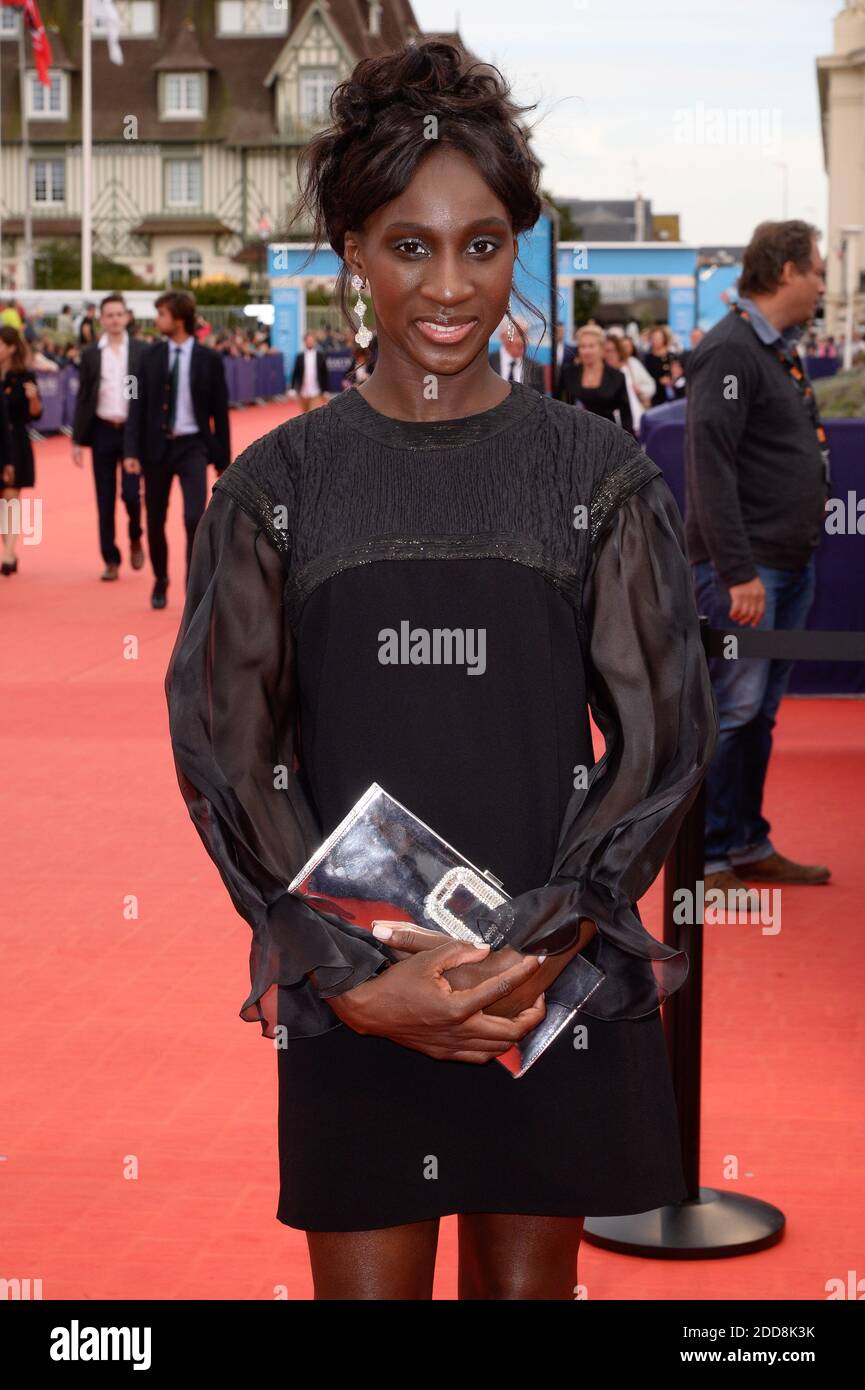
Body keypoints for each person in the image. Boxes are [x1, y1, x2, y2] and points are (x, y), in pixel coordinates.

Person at [164, 40, 717, 1301]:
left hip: (547, 991)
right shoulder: (275, 491)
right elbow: (226, 754)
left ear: (515, 243)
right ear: (352, 251)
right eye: (410, 244)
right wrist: (362, 984)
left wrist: (542, 942)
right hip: (358, 992)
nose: (450, 284)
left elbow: (658, 741)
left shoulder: (595, 477)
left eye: (481, 243)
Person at [685, 219, 831, 892]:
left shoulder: (771, 349)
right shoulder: (730, 350)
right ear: (784, 273)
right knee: (735, 712)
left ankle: (745, 842)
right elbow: (708, 469)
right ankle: (709, 858)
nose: (823, 284)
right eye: (818, 271)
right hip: (748, 572)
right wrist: (738, 571)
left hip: (782, 565)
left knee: (761, 712)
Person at [124, 290, 230, 610]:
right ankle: (160, 578)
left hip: (193, 446)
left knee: (194, 518)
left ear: (179, 319)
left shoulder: (209, 360)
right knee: (155, 520)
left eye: (162, 314)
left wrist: (224, 459)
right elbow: (136, 407)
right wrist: (131, 451)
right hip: (156, 448)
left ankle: (191, 586)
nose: (157, 320)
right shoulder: (149, 357)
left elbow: (219, 411)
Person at [72, 292, 149, 581]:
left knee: (131, 494)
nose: (115, 320)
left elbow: (147, 394)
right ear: (101, 320)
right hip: (102, 429)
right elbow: (83, 396)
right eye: (109, 315)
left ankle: (135, 534)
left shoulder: (141, 350)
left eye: (119, 314)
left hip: (132, 433)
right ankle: (110, 558)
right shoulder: (92, 354)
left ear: (127, 317)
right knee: (103, 498)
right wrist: (77, 439)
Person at [0, 326, 42, 575]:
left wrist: (34, 399)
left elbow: (35, 414)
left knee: (11, 498)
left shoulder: (25, 376)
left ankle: (7, 553)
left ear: (11, 348)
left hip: (15, 439)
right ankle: (10, 549)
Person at [558, 324, 633, 432]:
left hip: (607, 436)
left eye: (591, 346)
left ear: (602, 349)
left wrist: (628, 444)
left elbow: (626, 415)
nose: (586, 351)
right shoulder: (568, 373)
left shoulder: (617, 377)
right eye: (582, 346)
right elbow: (557, 407)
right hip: (574, 434)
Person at [604, 333, 654, 433]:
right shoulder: (601, 370)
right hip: (613, 424)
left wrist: (640, 390)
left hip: (636, 419)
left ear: (619, 350)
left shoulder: (631, 363)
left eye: (612, 350)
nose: (609, 354)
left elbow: (651, 385)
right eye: (606, 351)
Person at [489, 314, 545, 390]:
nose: (523, 341)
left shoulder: (535, 368)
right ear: (503, 337)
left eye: (525, 335)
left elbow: (539, 400)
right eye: (518, 335)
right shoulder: (487, 363)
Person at [289, 330, 329, 411]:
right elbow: (295, 373)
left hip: (316, 391)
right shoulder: (300, 356)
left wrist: (325, 390)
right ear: (304, 342)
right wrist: (292, 388)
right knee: (304, 415)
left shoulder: (320, 356)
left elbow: (325, 373)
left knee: (313, 414)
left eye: (312, 340)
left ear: (314, 341)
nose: (310, 342)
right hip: (303, 392)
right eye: (308, 340)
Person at [643, 325, 678, 407]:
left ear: (664, 339)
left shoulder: (672, 356)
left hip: (672, 395)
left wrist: (672, 379)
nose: (656, 341)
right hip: (656, 396)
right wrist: (659, 380)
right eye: (654, 338)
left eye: (659, 338)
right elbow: (646, 376)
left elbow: (678, 373)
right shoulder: (648, 358)